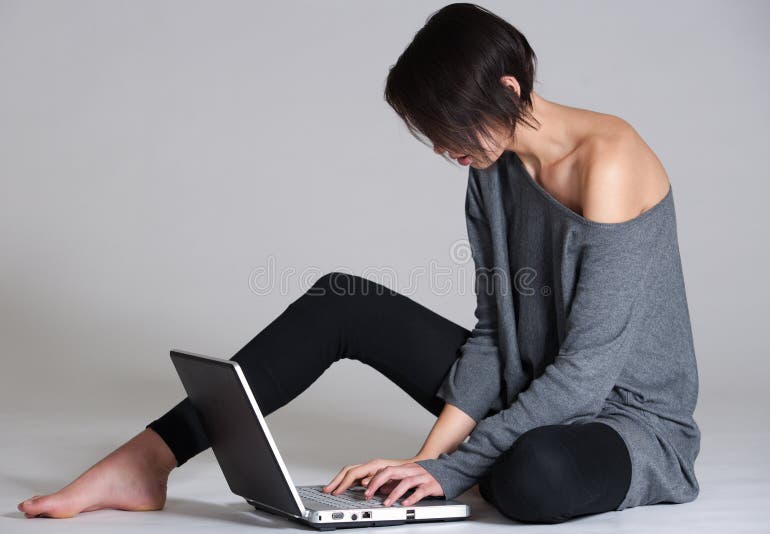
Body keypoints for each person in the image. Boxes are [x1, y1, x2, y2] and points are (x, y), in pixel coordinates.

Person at [17, 3, 701, 524]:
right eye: (434, 138)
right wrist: (429, 463)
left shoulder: (611, 163)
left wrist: (450, 468)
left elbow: (585, 375)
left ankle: (502, 463)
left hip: (622, 419)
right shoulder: (489, 168)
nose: (444, 153)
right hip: (527, 390)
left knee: (534, 478)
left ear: (510, 88)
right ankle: (147, 459)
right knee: (341, 299)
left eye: (451, 133)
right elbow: (495, 335)